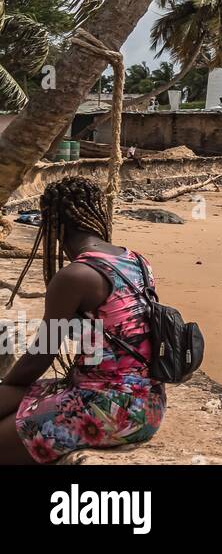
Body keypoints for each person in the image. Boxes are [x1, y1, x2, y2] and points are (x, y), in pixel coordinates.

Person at [0, 177, 166, 464]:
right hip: (148, 403)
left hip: (110, 407)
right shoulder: (137, 260)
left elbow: (39, 358)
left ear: (54, 225)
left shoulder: (75, 276)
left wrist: (6, 386)